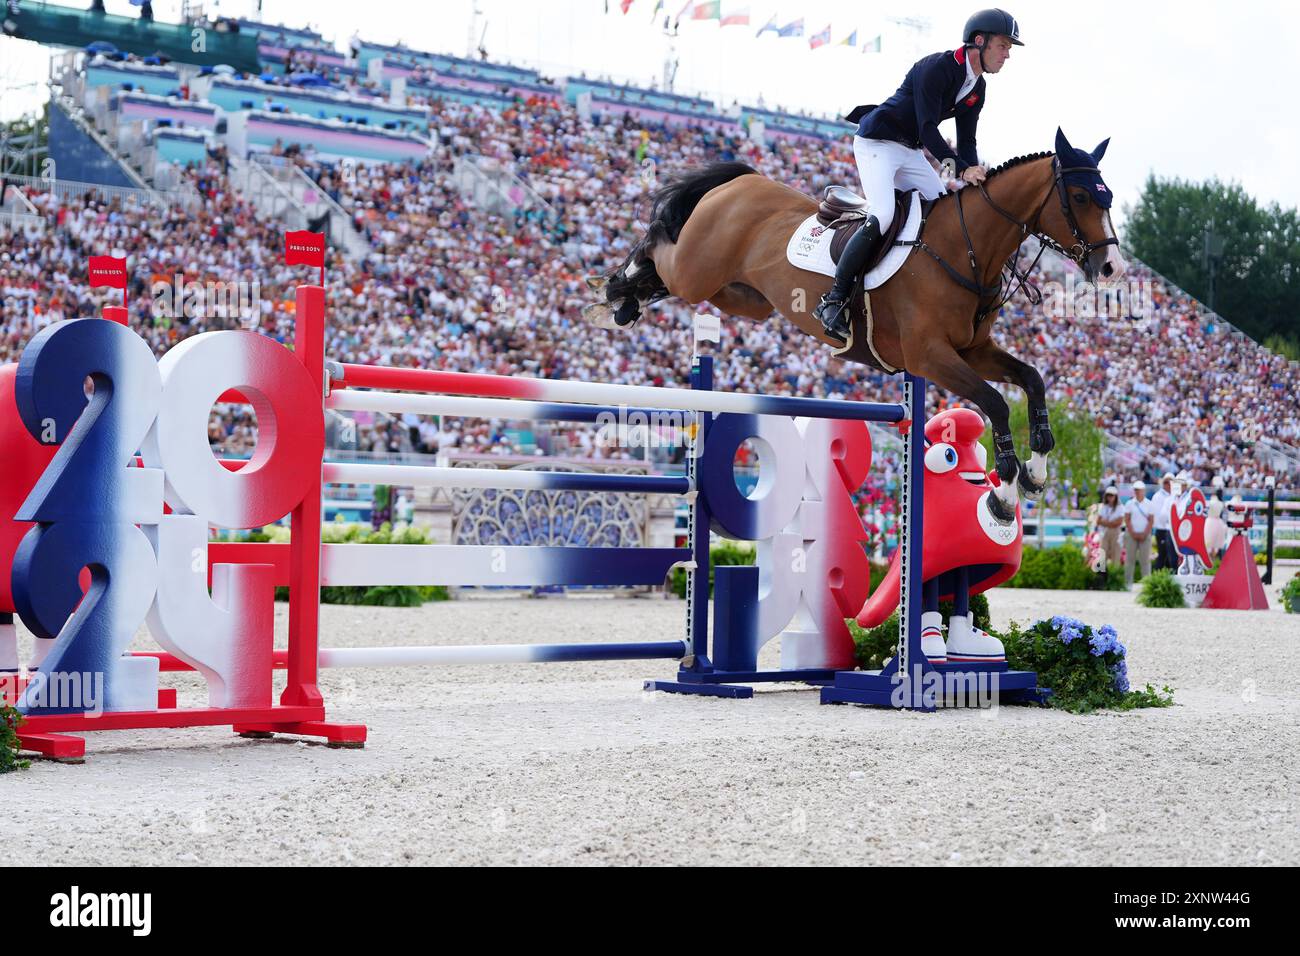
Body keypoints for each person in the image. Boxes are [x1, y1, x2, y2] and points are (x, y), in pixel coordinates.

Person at [814, 8, 1022, 342]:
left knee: (943, 209)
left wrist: (975, 172)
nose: (1008, 54)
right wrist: (959, 169)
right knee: (882, 214)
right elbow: (928, 129)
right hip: (877, 142)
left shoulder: (977, 88)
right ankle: (834, 299)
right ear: (979, 41)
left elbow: (966, 140)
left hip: (908, 150)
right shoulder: (937, 68)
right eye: (1003, 45)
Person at [1123, 480, 1155, 587]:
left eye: (1139, 490)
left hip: (1145, 536)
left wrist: (1144, 534)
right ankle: (1128, 584)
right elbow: (1127, 520)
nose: (1137, 492)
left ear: (1143, 491)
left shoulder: (1149, 504)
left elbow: (1151, 520)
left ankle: (1147, 584)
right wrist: (1133, 533)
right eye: (1135, 490)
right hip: (1132, 535)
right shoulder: (1129, 503)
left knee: (1145, 561)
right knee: (1129, 560)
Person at [1150, 472, 1178, 571]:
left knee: (1171, 558)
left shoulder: (1175, 496)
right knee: (1162, 556)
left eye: (1171, 482)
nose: (1168, 484)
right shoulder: (1157, 496)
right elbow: (1159, 516)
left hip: (1172, 530)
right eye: (1166, 482)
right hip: (1162, 530)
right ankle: (1157, 580)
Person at [1097, 486, 1124, 576]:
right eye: (1108, 496)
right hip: (1105, 532)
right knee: (1102, 552)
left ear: (1115, 497)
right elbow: (1098, 521)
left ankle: (1114, 575)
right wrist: (1110, 523)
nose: (1110, 498)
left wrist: (1105, 522)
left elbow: (1118, 522)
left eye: (1112, 496)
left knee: (1115, 553)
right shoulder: (1103, 507)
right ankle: (1101, 575)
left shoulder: (1120, 508)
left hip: (1115, 532)